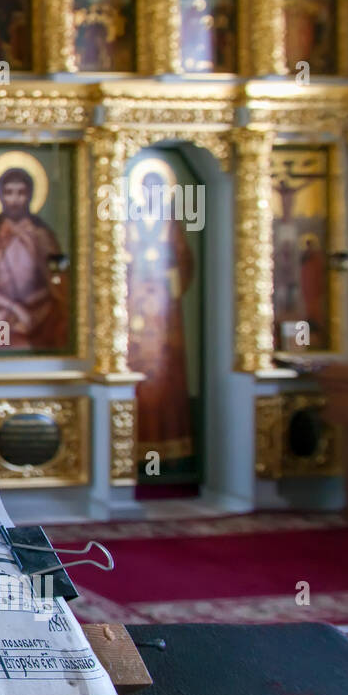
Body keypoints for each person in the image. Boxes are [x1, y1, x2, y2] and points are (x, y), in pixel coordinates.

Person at [127, 170, 195, 473]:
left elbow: (184, 262)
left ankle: (170, 454)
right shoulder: (131, 223)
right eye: (148, 189)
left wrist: (166, 280)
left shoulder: (171, 224)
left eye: (158, 190)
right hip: (134, 314)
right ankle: (135, 453)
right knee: (139, 377)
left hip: (166, 317)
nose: (153, 195)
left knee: (167, 378)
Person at [0, 166, 69, 350]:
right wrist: (14, 307)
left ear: (30, 195)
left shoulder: (41, 235)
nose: (15, 200)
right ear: (0, 196)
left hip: (40, 314)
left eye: (21, 193)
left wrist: (30, 306)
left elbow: (57, 284)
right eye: (9, 193)